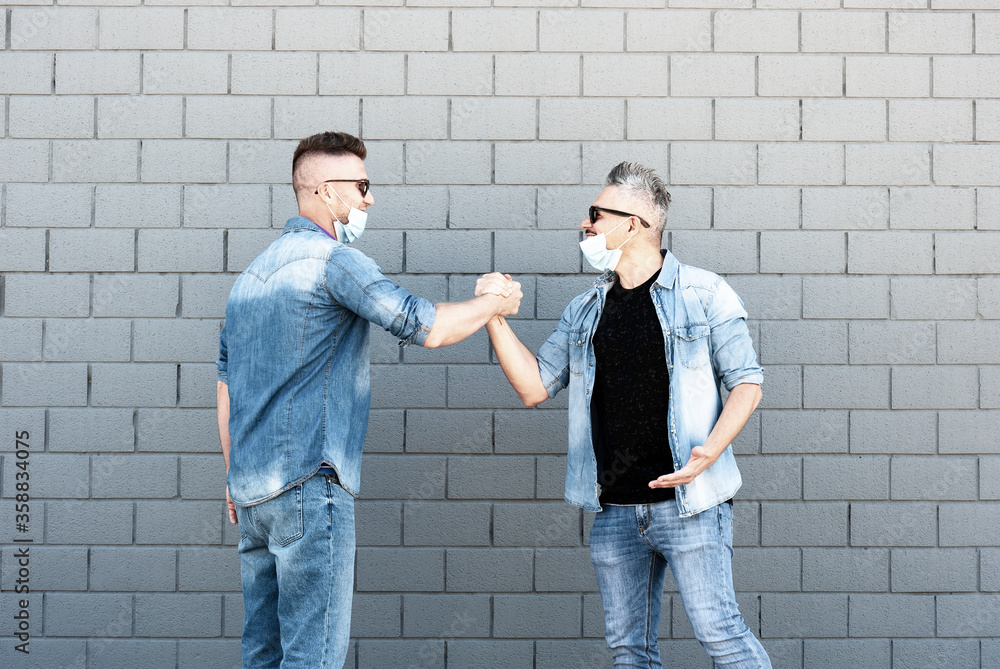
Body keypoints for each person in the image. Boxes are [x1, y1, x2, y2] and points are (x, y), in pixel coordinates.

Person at [216, 131, 521, 669]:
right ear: (326, 192)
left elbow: (226, 389)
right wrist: (491, 301)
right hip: (310, 486)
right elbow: (424, 326)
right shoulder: (335, 262)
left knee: (262, 656)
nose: (368, 199)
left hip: (252, 495)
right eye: (361, 186)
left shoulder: (248, 280)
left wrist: (234, 480)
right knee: (313, 659)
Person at [478, 162, 771, 668]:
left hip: (691, 503)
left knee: (723, 636)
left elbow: (747, 381)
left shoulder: (705, 293)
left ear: (633, 222)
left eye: (595, 214)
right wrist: (492, 316)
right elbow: (533, 386)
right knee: (629, 651)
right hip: (614, 509)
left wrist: (710, 452)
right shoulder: (584, 310)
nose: (585, 225)